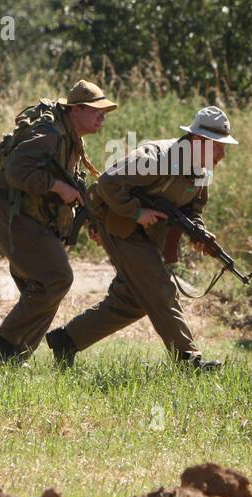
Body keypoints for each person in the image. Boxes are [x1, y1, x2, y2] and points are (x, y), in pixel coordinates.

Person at [46, 106, 237, 371]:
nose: (223, 155)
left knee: (132, 301)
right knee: (160, 286)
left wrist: (198, 233)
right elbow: (107, 184)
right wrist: (137, 212)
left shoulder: (202, 171)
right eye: (218, 147)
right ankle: (188, 359)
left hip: (148, 234)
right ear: (198, 141)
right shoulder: (156, 157)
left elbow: (193, 209)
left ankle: (66, 340)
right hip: (119, 223)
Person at [0, 80, 116, 363]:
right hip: (9, 210)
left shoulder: (70, 137)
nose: (102, 117)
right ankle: (4, 344)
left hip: (27, 214)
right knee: (56, 279)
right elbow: (17, 171)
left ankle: (15, 357)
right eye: (96, 111)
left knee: (44, 286)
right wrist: (56, 186)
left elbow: (71, 184)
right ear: (76, 110)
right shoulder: (50, 133)